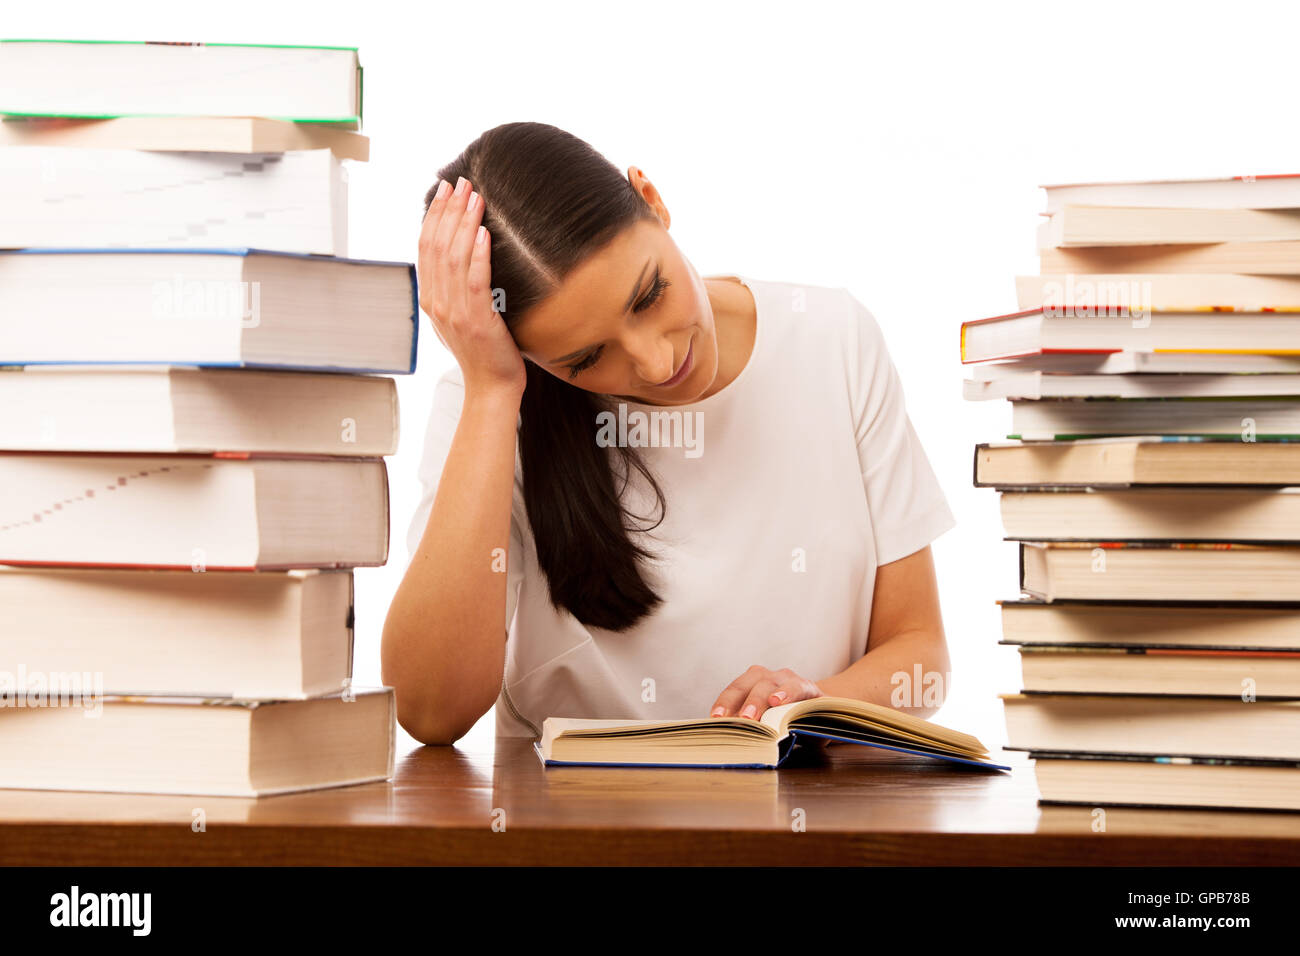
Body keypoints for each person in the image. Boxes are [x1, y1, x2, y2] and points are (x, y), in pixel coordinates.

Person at [382, 122, 955, 746]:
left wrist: (809, 708)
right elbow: (430, 711)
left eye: (649, 294)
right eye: (584, 359)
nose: (657, 365)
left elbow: (919, 654)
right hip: (573, 831)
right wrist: (492, 395)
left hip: (802, 819)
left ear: (652, 202)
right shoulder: (488, 400)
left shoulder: (834, 340)